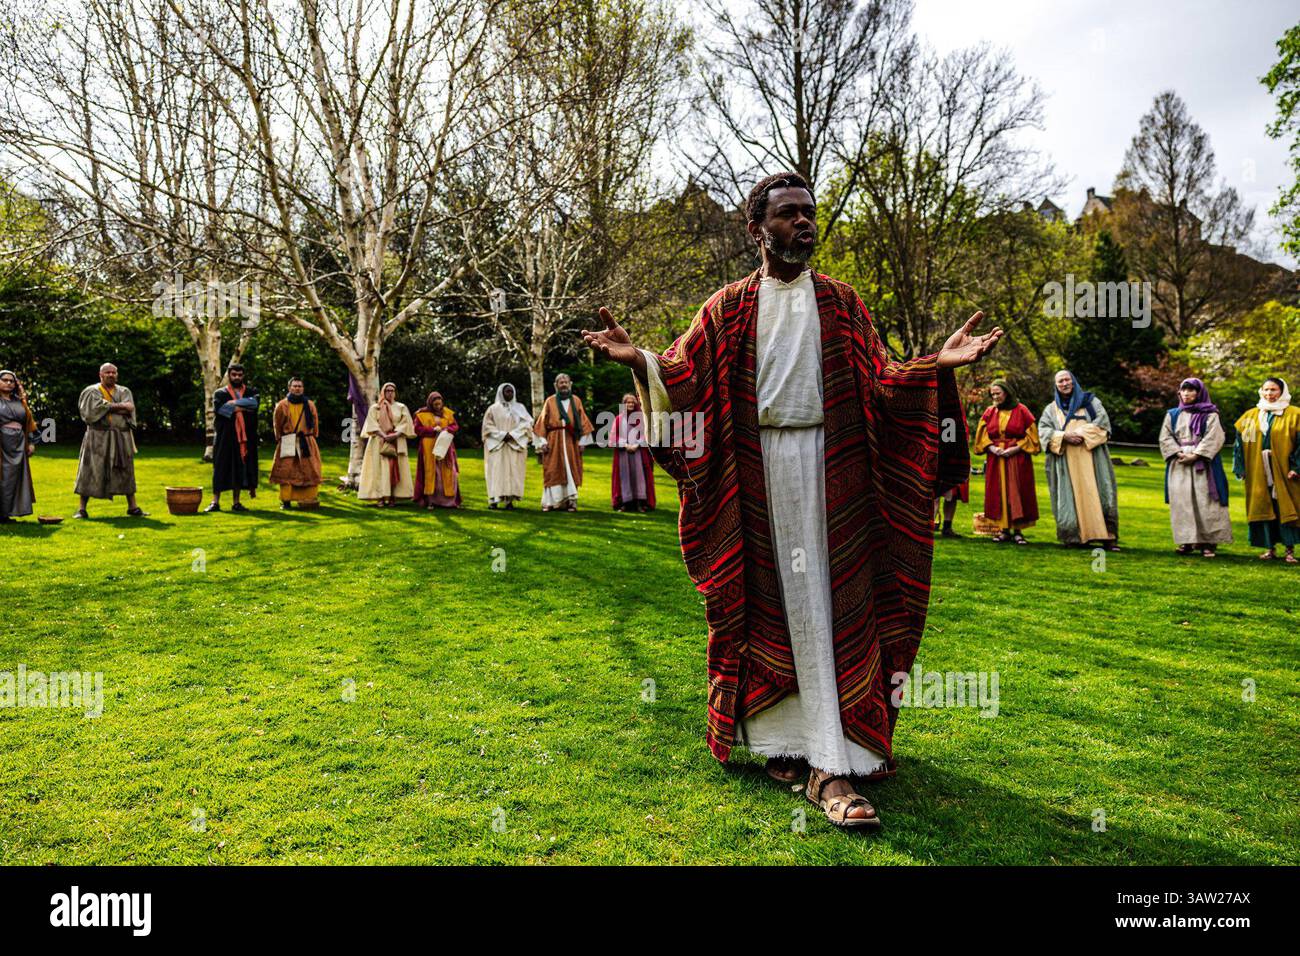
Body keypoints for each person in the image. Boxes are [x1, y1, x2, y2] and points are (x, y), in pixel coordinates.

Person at [582, 171, 1000, 829]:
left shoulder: (842, 303)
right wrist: (642, 362)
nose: (804, 223)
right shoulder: (726, 308)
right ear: (757, 229)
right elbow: (684, 377)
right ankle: (783, 741)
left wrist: (935, 368)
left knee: (830, 612)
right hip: (753, 482)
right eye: (787, 214)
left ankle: (831, 767)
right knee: (767, 609)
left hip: (837, 482)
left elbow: (886, 385)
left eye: (809, 213)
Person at [1038, 370, 1119, 550]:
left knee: (1101, 494)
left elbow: (1103, 423)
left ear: (1073, 381)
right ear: (1056, 386)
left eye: (1067, 380)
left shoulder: (1091, 402)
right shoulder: (1051, 409)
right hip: (1066, 462)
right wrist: (1064, 436)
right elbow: (1043, 431)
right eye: (1060, 382)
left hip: (1093, 458)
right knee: (1069, 497)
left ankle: (1108, 537)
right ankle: (1074, 537)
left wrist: (1080, 434)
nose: (1064, 384)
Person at [1159, 377, 1231, 557]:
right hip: (1180, 462)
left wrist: (1196, 455)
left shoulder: (1211, 414)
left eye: (1191, 390)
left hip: (1203, 463)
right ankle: (1187, 541)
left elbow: (1214, 437)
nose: (1186, 394)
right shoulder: (1173, 414)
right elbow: (1165, 436)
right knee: (1182, 502)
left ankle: (1208, 542)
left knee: (1205, 501)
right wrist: (1178, 453)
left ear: (1199, 393)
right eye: (1183, 390)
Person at [1232, 376, 1300, 563]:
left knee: (1285, 506)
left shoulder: (1294, 414)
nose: (1269, 394)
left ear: (1282, 391)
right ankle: (1270, 548)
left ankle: (1289, 550)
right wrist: (1241, 467)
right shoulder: (1251, 416)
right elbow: (1242, 444)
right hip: (1258, 469)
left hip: (1285, 469)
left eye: (1274, 390)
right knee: (1264, 505)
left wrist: (1296, 467)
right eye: (1266, 390)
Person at [74, 363, 147, 518]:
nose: (111, 375)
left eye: (114, 372)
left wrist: (106, 407)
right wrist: (119, 407)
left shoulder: (124, 391)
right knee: (90, 469)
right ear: (100, 375)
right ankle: (81, 509)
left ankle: (133, 507)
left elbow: (130, 410)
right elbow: (92, 412)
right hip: (97, 437)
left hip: (121, 437)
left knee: (125, 470)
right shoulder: (91, 391)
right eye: (107, 372)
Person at [973, 379, 1040, 544]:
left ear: (1007, 393)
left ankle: (1018, 531)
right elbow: (982, 435)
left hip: (1017, 458)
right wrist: (992, 448)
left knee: (1017, 491)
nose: (995, 397)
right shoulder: (990, 411)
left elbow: (1032, 435)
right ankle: (1003, 530)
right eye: (993, 394)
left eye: (998, 393)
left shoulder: (1021, 410)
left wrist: (1015, 448)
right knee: (998, 492)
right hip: (996, 458)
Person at [534, 373, 594, 512]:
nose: (564, 384)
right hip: (553, 441)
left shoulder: (576, 401)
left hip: (571, 441)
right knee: (552, 470)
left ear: (570, 384)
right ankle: (550, 502)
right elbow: (541, 423)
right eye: (561, 382)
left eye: (566, 382)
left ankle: (571, 502)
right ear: (556, 385)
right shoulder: (550, 401)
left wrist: (582, 442)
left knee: (571, 470)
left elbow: (584, 422)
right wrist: (542, 441)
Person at [207, 363, 260, 513]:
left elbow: (254, 404)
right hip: (225, 437)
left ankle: (236, 502)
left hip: (245, 438)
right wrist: (244, 407)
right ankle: (215, 502)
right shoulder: (220, 394)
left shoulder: (251, 391)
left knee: (239, 467)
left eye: (239, 375)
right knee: (220, 467)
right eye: (234, 375)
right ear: (229, 376)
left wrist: (233, 404)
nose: (237, 377)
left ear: (243, 376)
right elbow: (221, 410)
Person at [358, 382, 415, 506]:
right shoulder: (375, 408)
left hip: (396, 440)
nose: (390, 393)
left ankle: (393, 496)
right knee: (379, 469)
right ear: (383, 392)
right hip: (379, 441)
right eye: (387, 390)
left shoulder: (401, 407)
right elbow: (372, 424)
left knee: (395, 468)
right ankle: (380, 496)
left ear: (395, 392)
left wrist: (395, 434)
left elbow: (406, 423)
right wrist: (384, 436)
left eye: (392, 390)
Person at [270, 377, 322, 510]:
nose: (297, 388)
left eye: (300, 386)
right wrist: (279, 438)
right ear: (289, 388)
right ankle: (286, 501)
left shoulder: (309, 404)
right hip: (288, 439)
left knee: (309, 470)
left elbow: (315, 421)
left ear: (303, 388)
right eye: (295, 386)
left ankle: (308, 498)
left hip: (306, 439)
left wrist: (313, 436)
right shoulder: (282, 405)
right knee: (286, 471)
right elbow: (277, 423)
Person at [481, 383, 533, 509]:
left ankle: (509, 500)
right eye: (507, 392)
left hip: (514, 445)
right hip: (497, 446)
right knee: (496, 472)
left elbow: (526, 424)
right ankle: (493, 500)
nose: (509, 394)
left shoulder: (520, 408)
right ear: (501, 393)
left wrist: (513, 435)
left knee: (512, 472)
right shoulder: (493, 409)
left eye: (511, 391)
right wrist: (502, 435)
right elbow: (487, 426)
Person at [413, 391, 462, 509]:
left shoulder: (447, 413)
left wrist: (445, 429)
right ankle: (431, 500)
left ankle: (450, 500)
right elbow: (417, 429)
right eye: (435, 405)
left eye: (440, 404)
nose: (438, 407)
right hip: (428, 447)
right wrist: (432, 430)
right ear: (430, 404)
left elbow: (455, 426)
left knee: (449, 471)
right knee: (431, 472)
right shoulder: (421, 414)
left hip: (445, 447)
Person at [0, 370, 37, 522]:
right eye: (5, 380)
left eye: (11, 381)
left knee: (15, 479)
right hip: (1, 444)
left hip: (19, 444)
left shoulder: (19, 401)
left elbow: (28, 423)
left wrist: (31, 442)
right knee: (2, 477)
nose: (9, 383)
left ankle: (7, 513)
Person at [610, 392, 655, 512]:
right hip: (623, 453)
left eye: (632, 402)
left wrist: (636, 445)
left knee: (639, 478)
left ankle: (640, 504)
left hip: (638, 452)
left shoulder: (641, 418)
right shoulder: (619, 419)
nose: (630, 404)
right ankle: (625, 504)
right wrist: (625, 445)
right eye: (627, 402)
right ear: (623, 404)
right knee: (625, 478)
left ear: (635, 404)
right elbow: (613, 437)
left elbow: (646, 435)